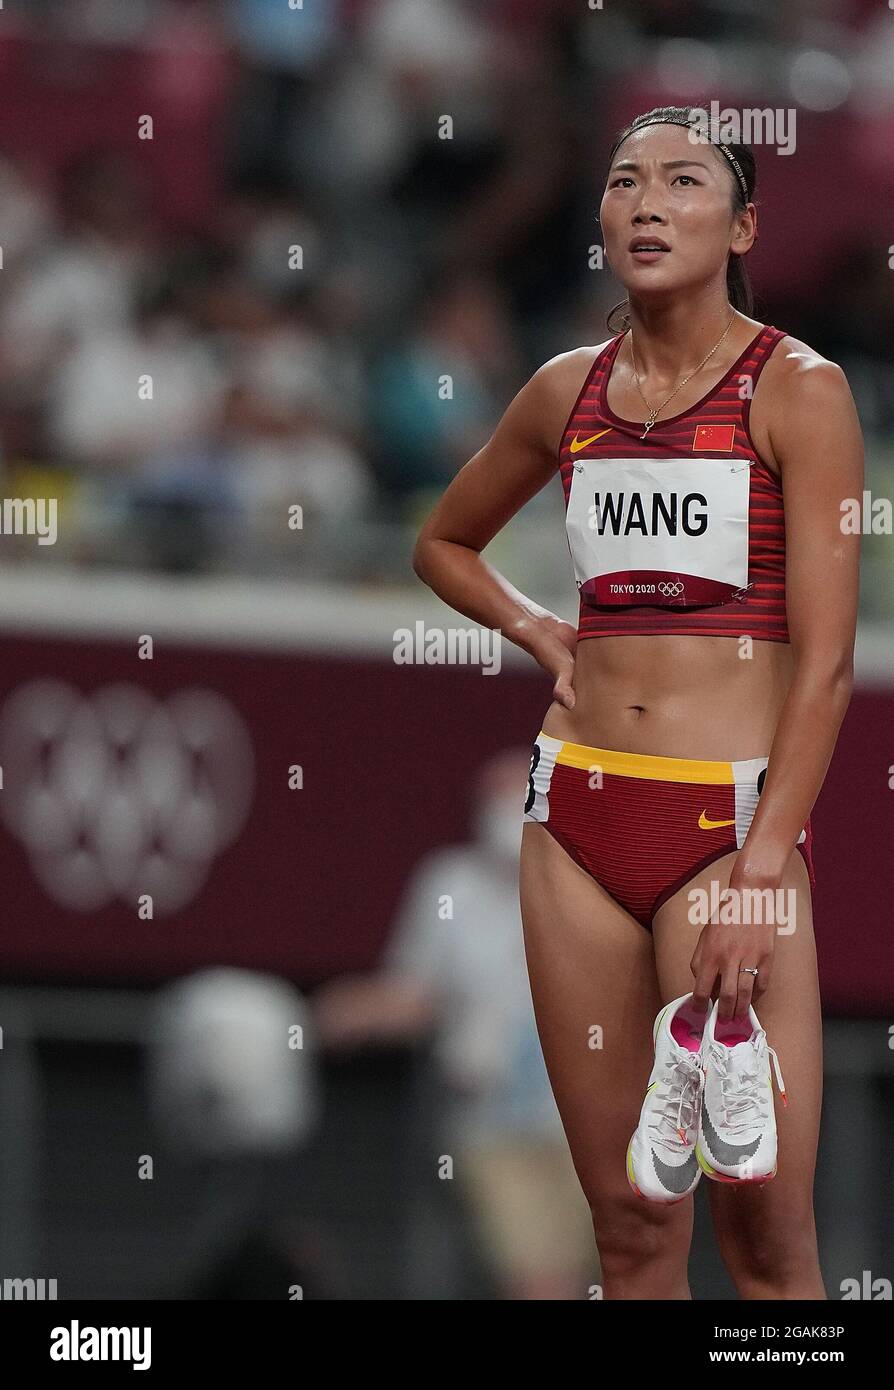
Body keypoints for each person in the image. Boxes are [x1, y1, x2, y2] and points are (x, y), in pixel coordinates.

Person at [412, 105, 863, 1299]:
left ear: (745, 222)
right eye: (623, 183)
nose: (647, 203)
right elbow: (445, 544)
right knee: (627, 1225)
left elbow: (823, 665)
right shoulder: (567, 389)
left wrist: (765, 872)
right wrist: (536, 627)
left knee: (768, 1236)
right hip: (576, 826)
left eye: (682, 182)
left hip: (730, 833)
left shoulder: (800, 391)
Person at [315, 748, 598, 1300]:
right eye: (493, 799)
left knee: (594, 1278)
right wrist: (346, 1011)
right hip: (492, 1123)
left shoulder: (588, 878)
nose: (504, 813)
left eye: (516, 796)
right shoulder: (449, 885)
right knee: (536, 1281)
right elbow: (414, 993)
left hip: (586, 1124)